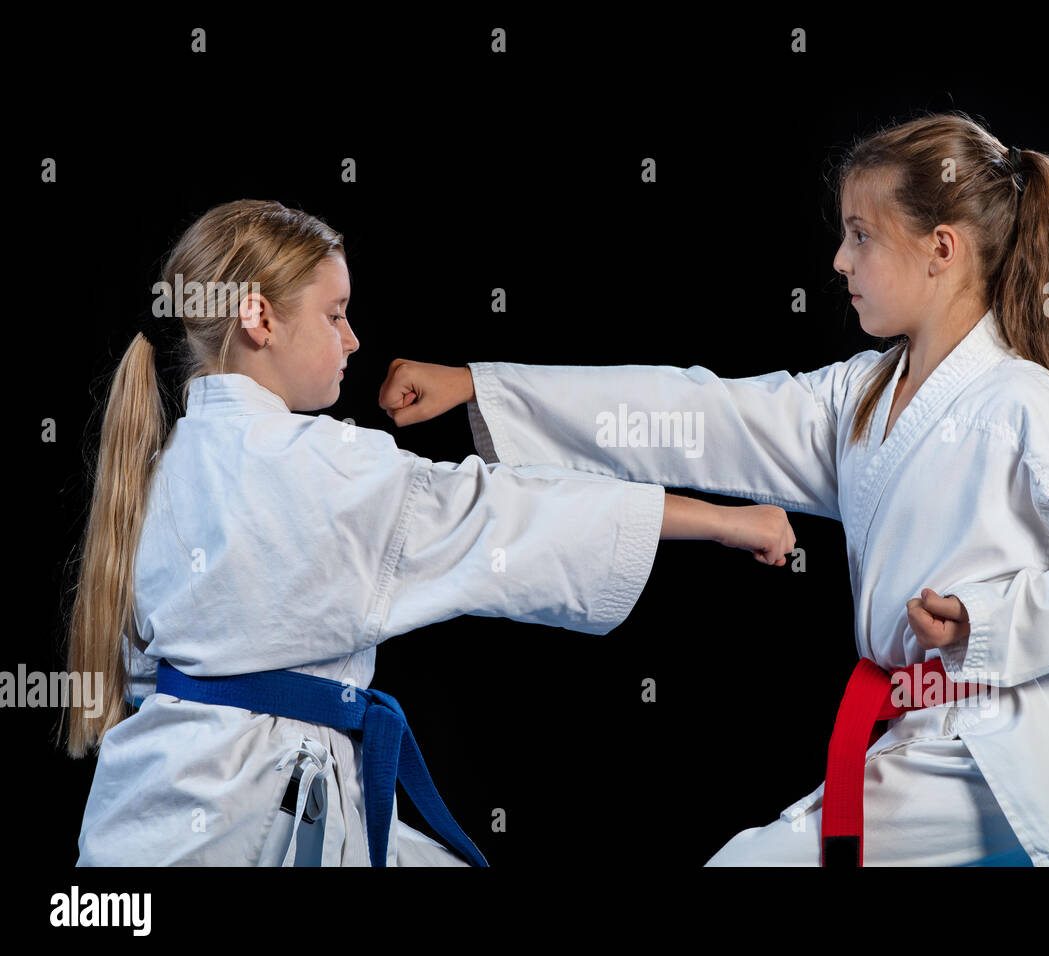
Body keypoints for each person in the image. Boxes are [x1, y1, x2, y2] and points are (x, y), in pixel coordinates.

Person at [377, 112, 1049, 866]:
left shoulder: (1023, 403)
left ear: (940, 249)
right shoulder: (864, 396)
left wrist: (989, 623)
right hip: (919, 744)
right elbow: (693, 413)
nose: (840, 260)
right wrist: (483, 386)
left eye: (861, 235)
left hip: (986, 747)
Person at [63, 199, 795, 866]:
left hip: (147, 816)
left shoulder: (156, 466)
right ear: (260, 319)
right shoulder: (317, 464)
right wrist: (724, 520)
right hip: (258, 822)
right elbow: (502, 513)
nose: (354, 338)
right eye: (334, 313)